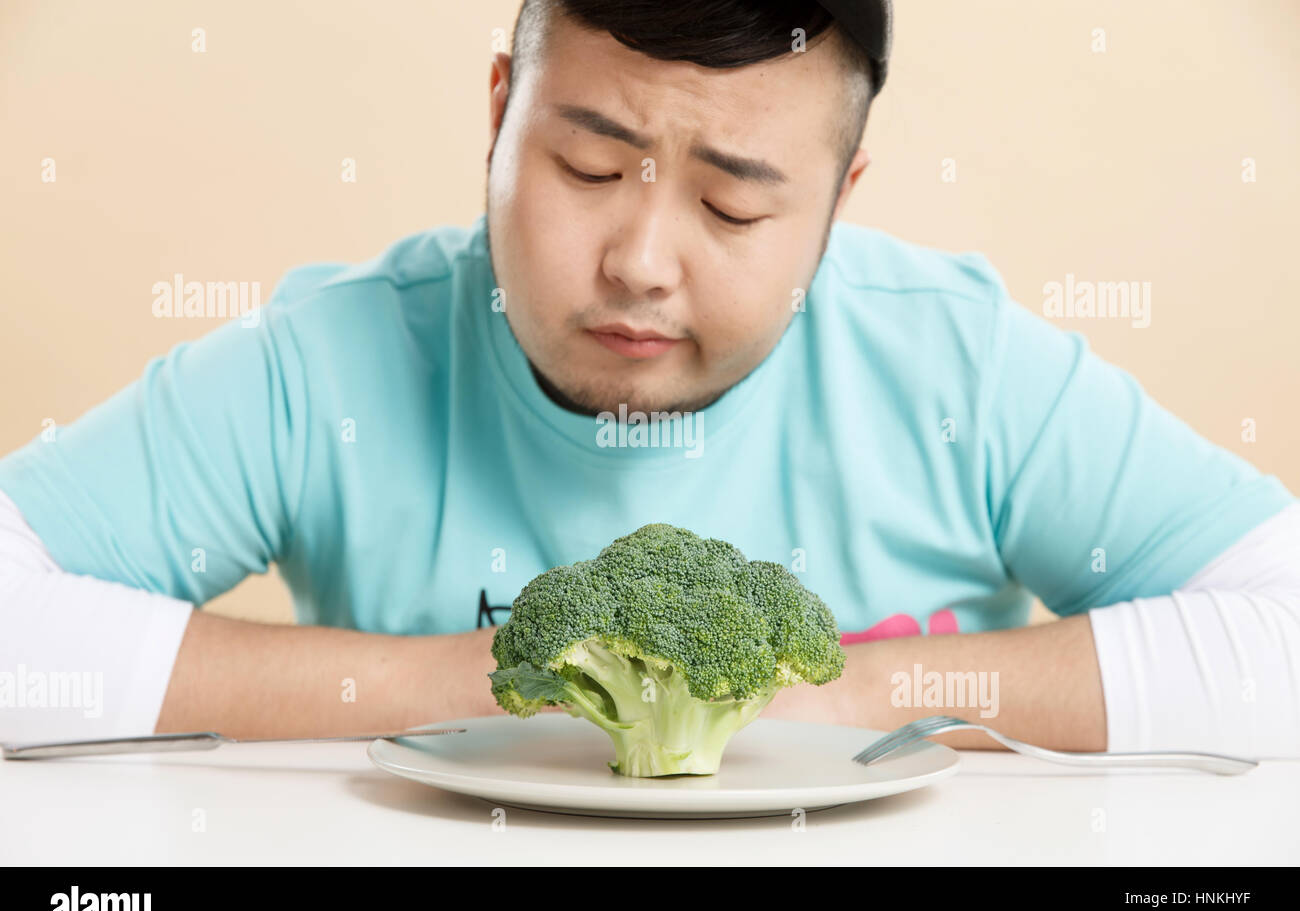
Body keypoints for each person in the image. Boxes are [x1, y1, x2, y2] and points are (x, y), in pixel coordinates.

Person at [2, 0, 1297, 758]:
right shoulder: (331, 361)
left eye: (734, 207)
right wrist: (486, 678)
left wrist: (852, 691)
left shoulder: (959, 363)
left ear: (838, 206)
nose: (638, 263)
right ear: (501, 111)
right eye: (582, 167)